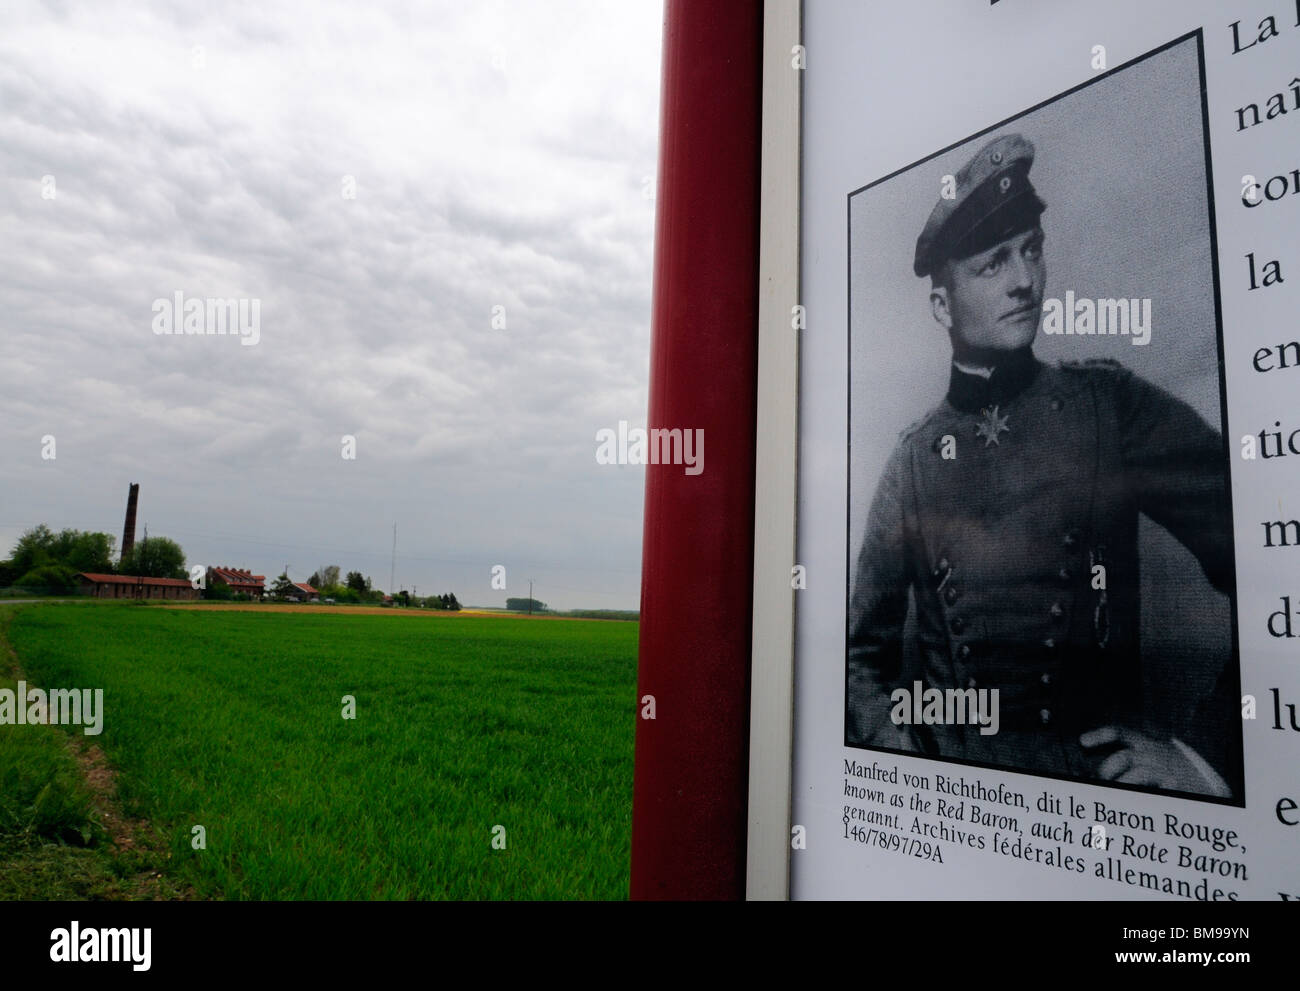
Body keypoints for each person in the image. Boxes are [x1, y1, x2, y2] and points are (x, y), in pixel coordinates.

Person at [846, 133, 1239, 798]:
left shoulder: (1109, 406)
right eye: (993, 263)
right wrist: (906, 758)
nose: (1025, 280)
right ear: (943, 305)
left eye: (1031, 249)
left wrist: (1206, 757)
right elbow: (862, 659)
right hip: (964, 806)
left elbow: (1269, 547)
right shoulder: (913, 461)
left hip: (1093, 803)